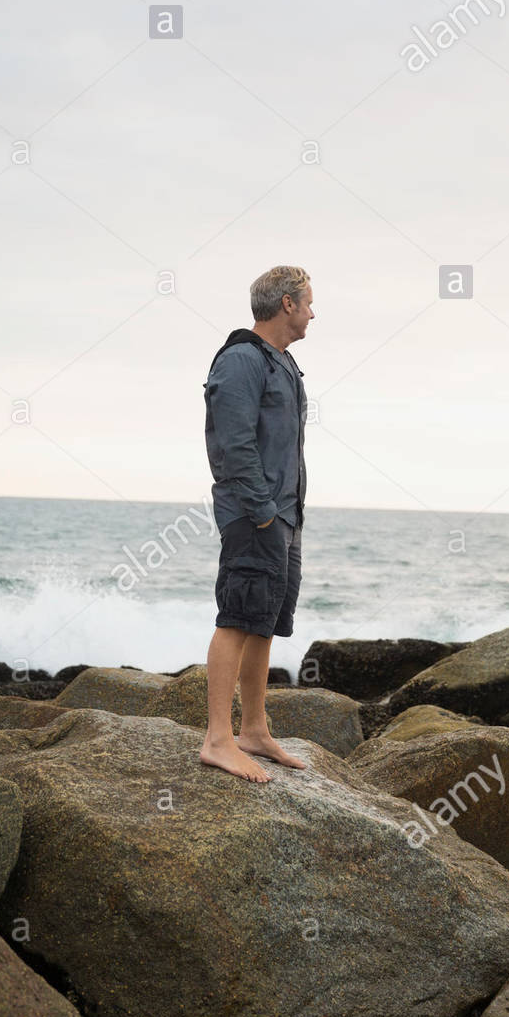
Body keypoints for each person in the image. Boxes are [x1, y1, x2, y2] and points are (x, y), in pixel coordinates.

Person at [199, 265, 314, 781]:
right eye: (309, 301)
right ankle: (218, 739)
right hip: (255, 516)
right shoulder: (243, 360)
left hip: (284, 517)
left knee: (264, 621)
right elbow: (234, 444)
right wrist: (263, 511)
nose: (314, 311)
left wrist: (285, 514)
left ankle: (254, 730)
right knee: (237, 617)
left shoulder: (283, 364)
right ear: (286, 303)